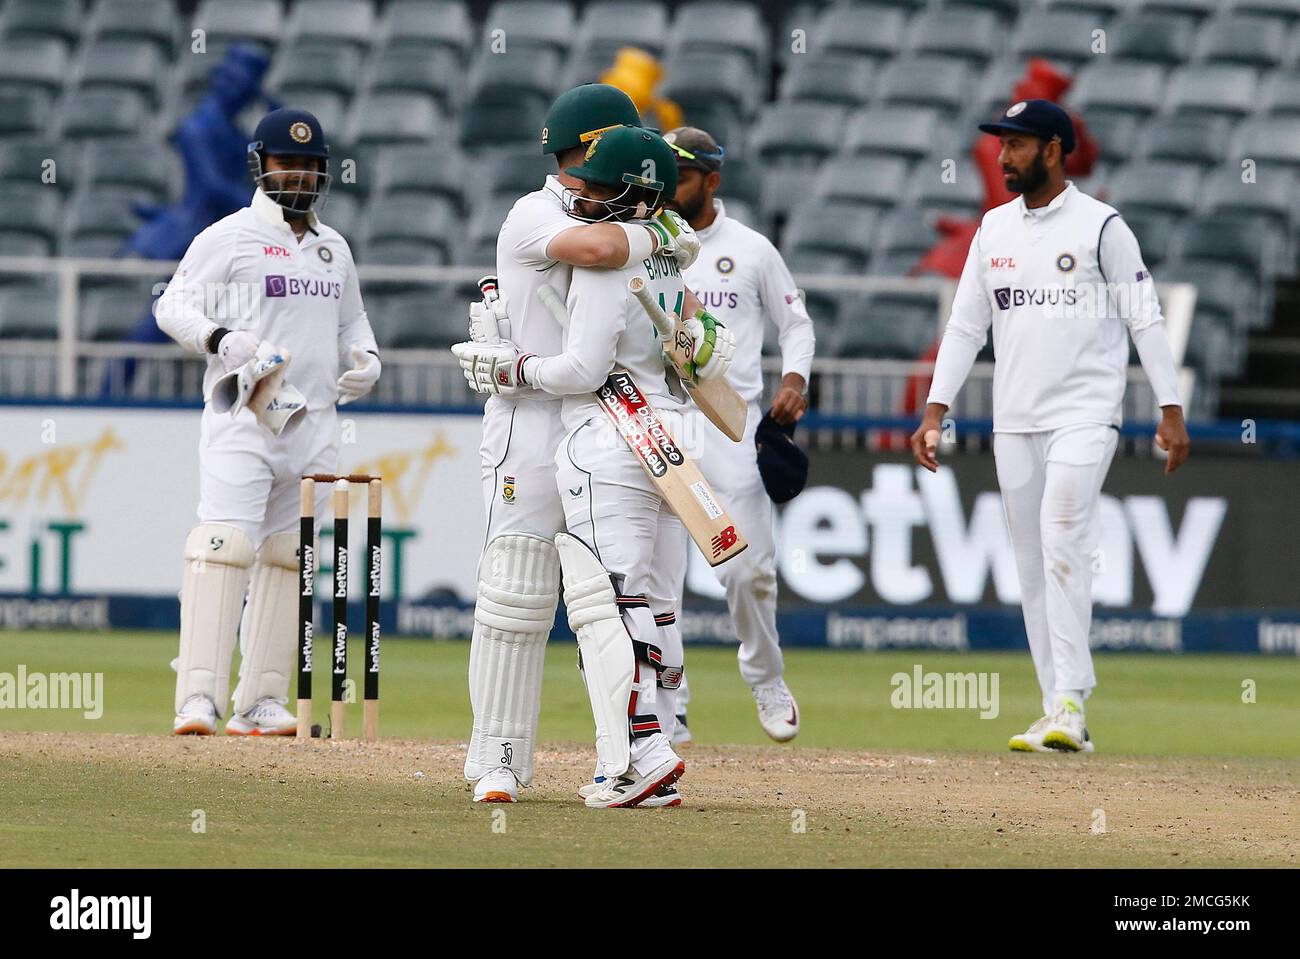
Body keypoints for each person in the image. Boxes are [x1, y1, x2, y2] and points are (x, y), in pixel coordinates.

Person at [455, 84, 710, 804]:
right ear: (592, 144)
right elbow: (601, 244)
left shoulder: (624, 212)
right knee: (516, 590)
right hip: (532, 418)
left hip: (606, 424)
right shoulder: (535, 213)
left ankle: (632, 756)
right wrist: (664, 228)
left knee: (612, 598)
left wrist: (659, 232)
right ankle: (499, 759)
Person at [910, 100, 1190, 753]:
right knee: (1032, 564)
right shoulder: (993, 228)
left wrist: (1169, 408)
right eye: (1003, 144)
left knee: (1064, 534)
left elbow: (1145, 316)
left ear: (1055, 150)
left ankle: (1071, 699)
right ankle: (1056, 709)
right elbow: (965, 327)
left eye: (1017, 145)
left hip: (1087, 411)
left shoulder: (1102, 226)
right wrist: (935, 409)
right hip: (1015, 418)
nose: (1004, 157)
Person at [155, 108, 380, 735]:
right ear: (262, 165)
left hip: (312, 423)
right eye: (288, 163)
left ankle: (261, 700)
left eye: (310, 165)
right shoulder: (228, 236)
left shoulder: (335, 248)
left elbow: (351, 324)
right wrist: (218, 336)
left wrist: (367, 359)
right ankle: (198, 696)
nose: (300, 175)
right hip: (244, 416)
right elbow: (173, 305)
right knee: (225, 546)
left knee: (289, 556)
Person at [661, 127, 815, 743]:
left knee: (746, 571)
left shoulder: (750, 250)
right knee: (658, 572)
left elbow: (796, 323)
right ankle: (668, 700)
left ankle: (766, 678)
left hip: (732, 423)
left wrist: (795, 380)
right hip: (661, 418)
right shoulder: (646, 245)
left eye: (682, 175)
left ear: (711, 180)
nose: (669, 185)